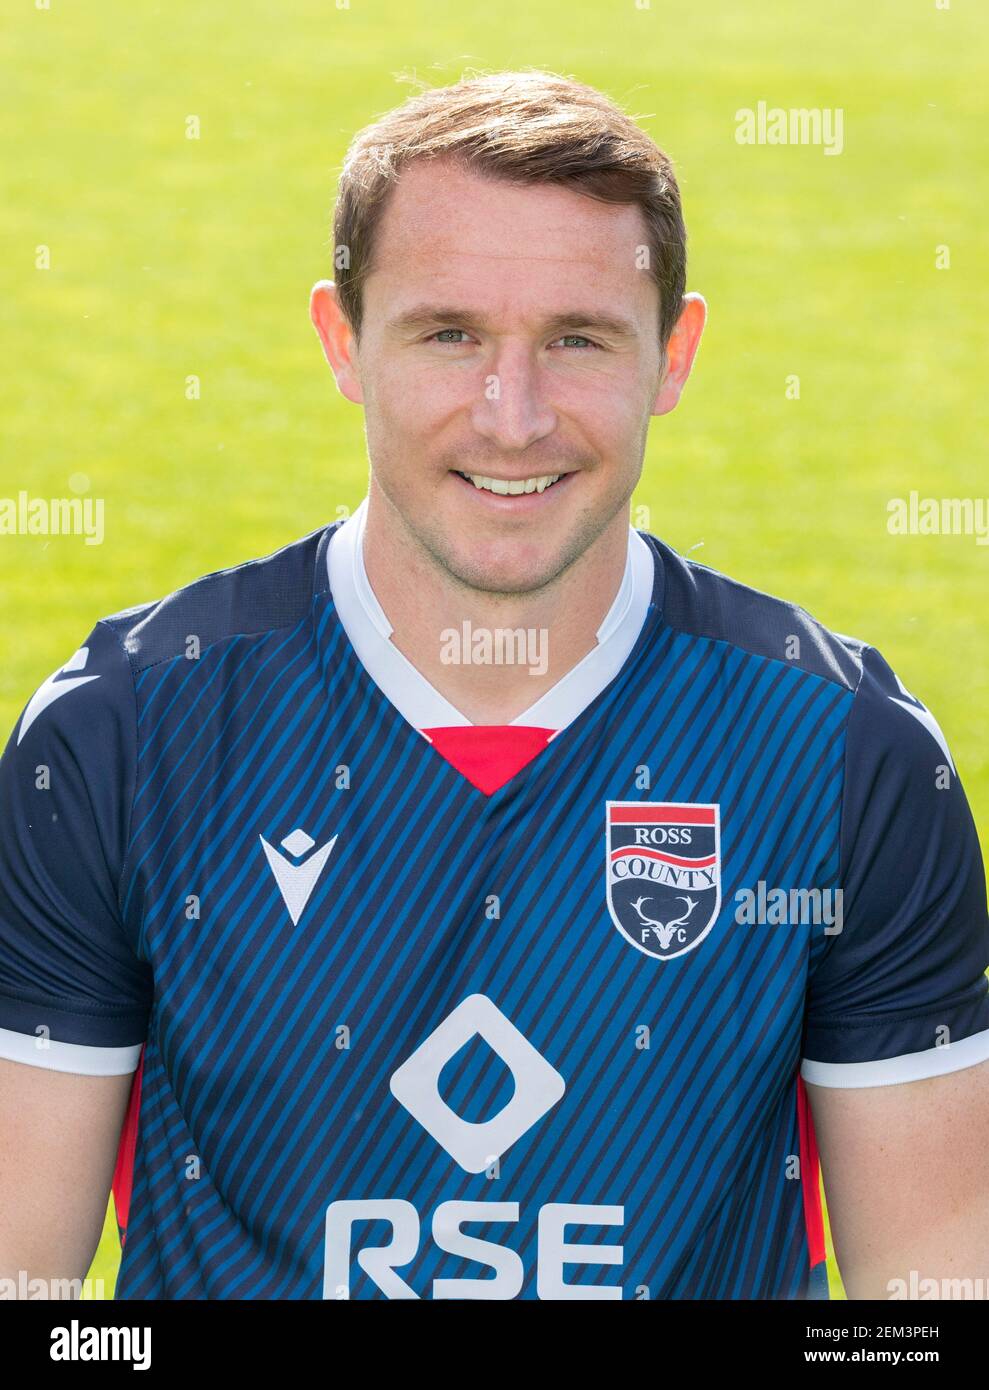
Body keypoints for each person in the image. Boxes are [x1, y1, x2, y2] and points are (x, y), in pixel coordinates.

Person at [1, 69, 987, 1301]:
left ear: (672, 355)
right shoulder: (119, 739)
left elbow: (926, 1313)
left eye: (576, 339)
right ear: (341, 341)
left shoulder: (842, 759)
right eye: (448, 334)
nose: (510, 418)